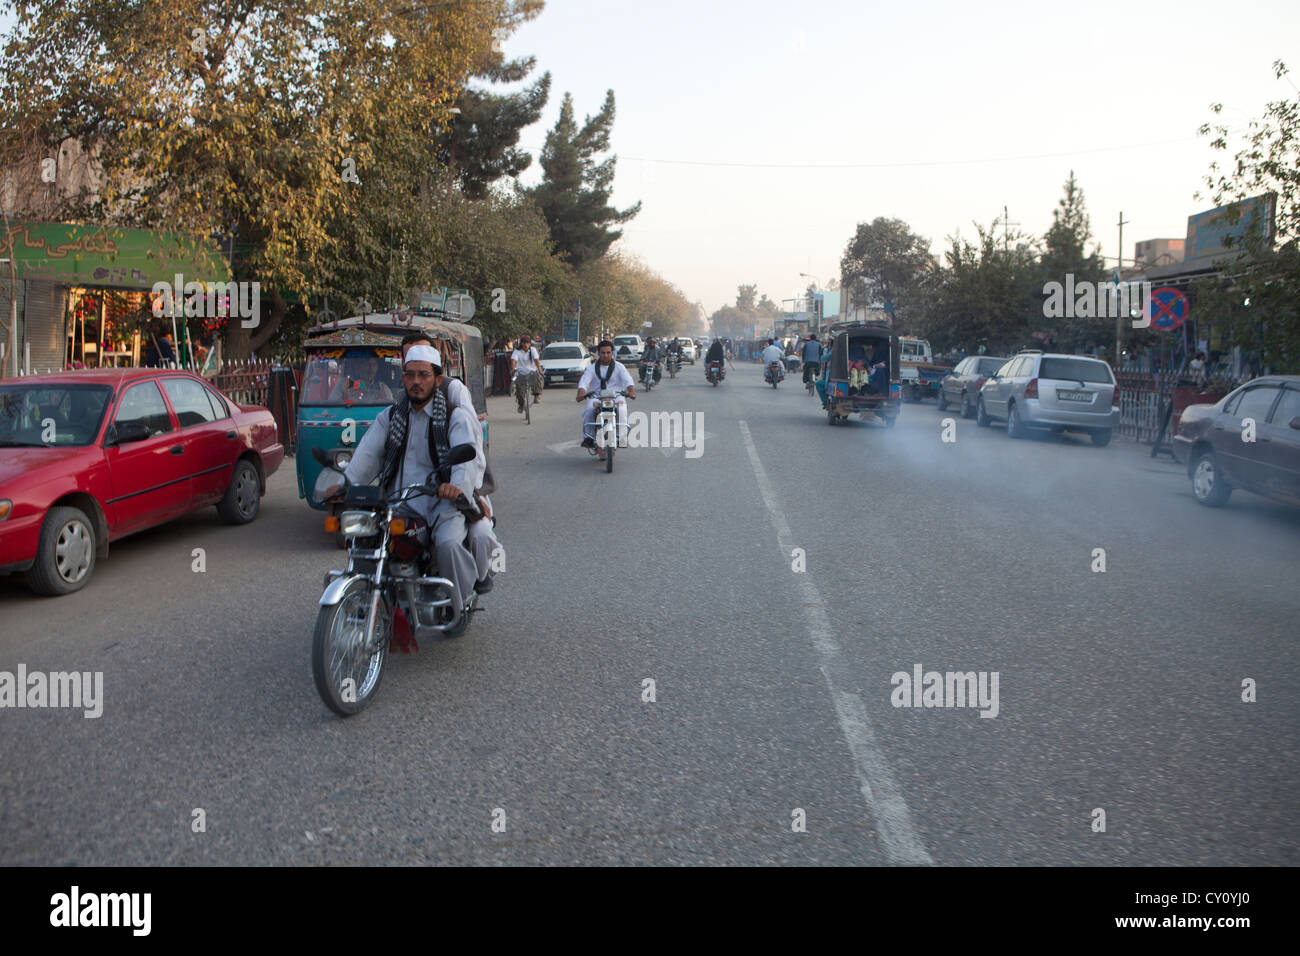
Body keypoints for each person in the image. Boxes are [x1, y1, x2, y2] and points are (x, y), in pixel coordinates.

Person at [342, 345, 482, 602]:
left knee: (448, 544)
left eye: (423, 375)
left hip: (441, 502)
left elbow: (465, 460)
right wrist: (346, 483)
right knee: (363, 540)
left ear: (437, 380)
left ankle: (460, 601)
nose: (416, 382)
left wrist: (456, 486)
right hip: (398, 502)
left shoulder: (455, 417)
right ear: (403, 377)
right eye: (410, 375)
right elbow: (368, 453)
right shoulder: (391, 415)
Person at [401, 333, 498, 592]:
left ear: (436, 372)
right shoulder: (397, 408)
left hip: (451, 492)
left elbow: (470, 443)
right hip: (406, 498)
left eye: (423, 371)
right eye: (410, 367)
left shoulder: (453, 396)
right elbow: (375, 451)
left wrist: (466, 489)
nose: (416, 379)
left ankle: (468, 585)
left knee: (476, 535)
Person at [576, 340, 636, 461]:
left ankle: (621, 437)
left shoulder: (619, 367)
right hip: (596, 397)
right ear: (598, 353)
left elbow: (628, 380)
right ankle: (589, 437)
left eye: (608, 352)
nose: (605, 355)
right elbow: (584, 382)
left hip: (616, 396)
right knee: (588, 410)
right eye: (603, 353)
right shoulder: (592, 368)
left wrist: (631, 391)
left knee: (622, 409)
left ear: (612, 353)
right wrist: (581, 393)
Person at [328, 353, 395, 403]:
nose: (371, 369)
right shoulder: (344, 384)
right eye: (367, 364)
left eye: (374, 364)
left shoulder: (383, 388)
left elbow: (390, 410)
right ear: (358, 366)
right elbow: (332, 407)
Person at [510, 335, 542, 409]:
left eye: (527, 343)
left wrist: (539, 369)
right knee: (519, 391)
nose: (525, 345)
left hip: (531, 372)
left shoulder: (533, 350)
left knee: (538, 377)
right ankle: (521, 405)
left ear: (529, 344)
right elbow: (513, 361)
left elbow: (536, 360)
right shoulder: (517, 351)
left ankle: (536, 396)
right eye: (524, 343)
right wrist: (513, 370)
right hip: (521, 373)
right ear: (521, 344)